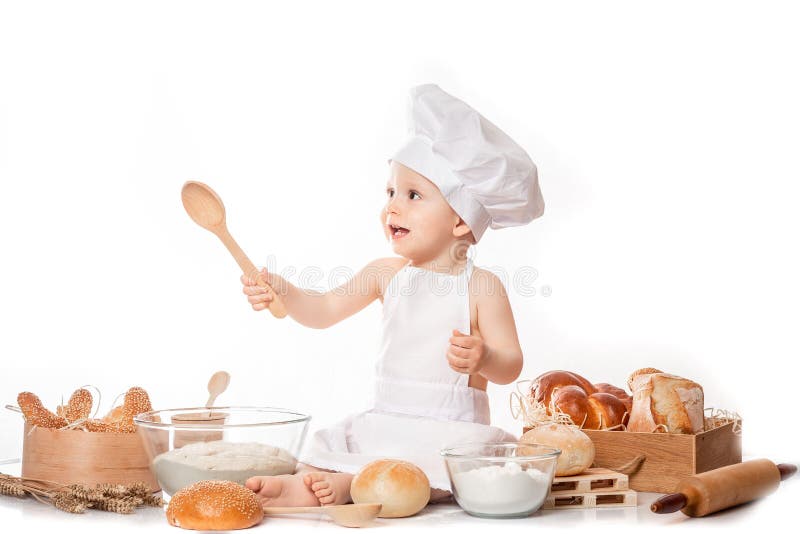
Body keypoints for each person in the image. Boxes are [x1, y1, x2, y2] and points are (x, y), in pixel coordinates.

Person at [240, 84, 545, 507]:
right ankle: (309, 482)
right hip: (385, 420)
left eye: (412, 195)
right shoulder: (387, 274)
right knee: (338, 443)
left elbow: (511, 365)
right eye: (390, 193)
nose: (392, 208)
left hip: (450, 430)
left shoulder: (481, 287)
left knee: (439, 472)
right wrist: (284, 291)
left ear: (460, 220)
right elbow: (323, 309)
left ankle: (351, 486)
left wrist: (485, 357)